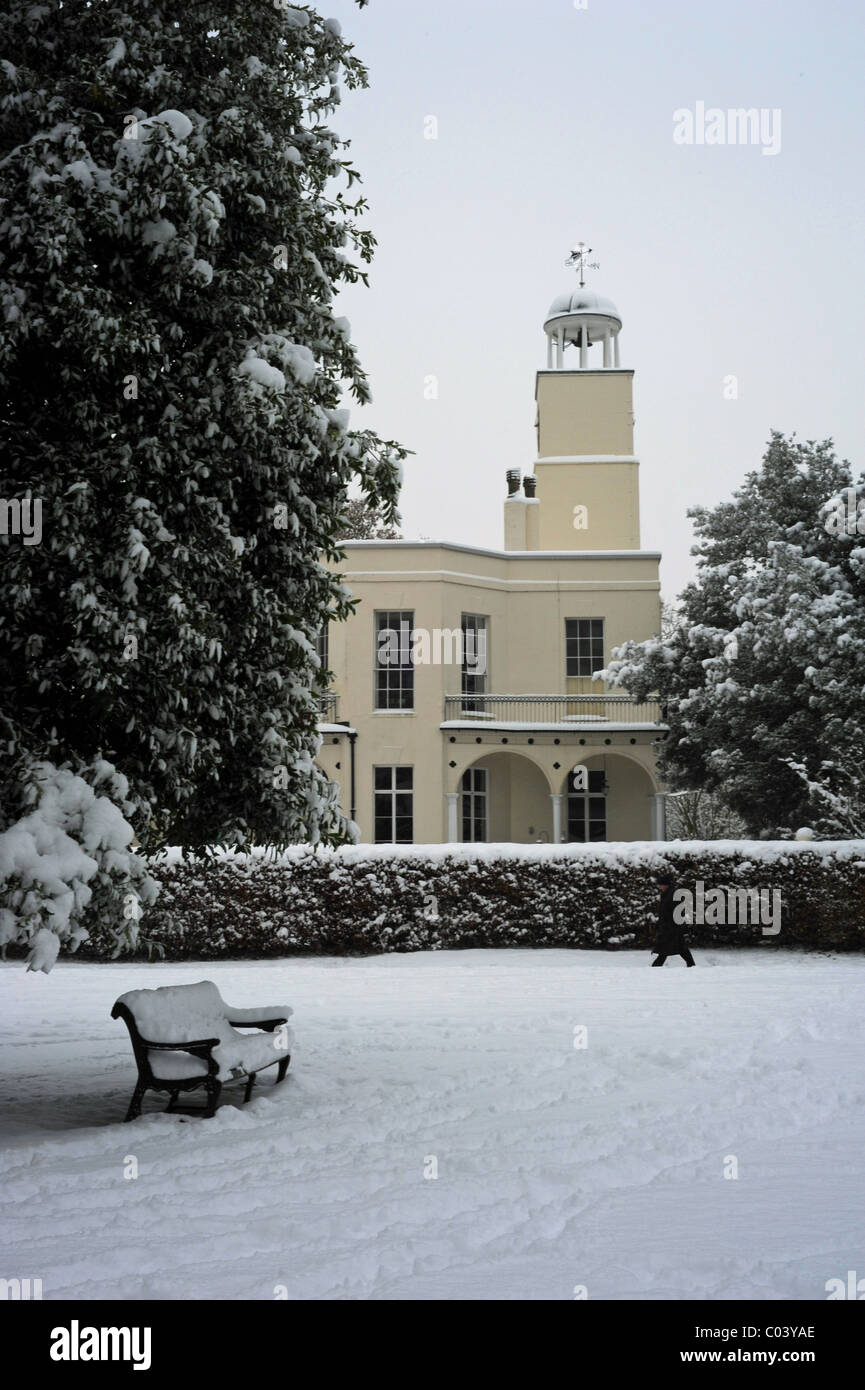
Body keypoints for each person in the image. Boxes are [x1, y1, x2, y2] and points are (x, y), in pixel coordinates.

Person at [651, 874, 695, 967]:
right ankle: (692, 965)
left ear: (666, 885)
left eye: (661, 884)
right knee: (680, 948)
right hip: (669, 927)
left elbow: (678, 911)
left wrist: (673, 925)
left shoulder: (673, 894)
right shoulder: (666, 894)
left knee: (667, 949)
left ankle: (655, 968)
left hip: (672, 927)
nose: (660, 887)